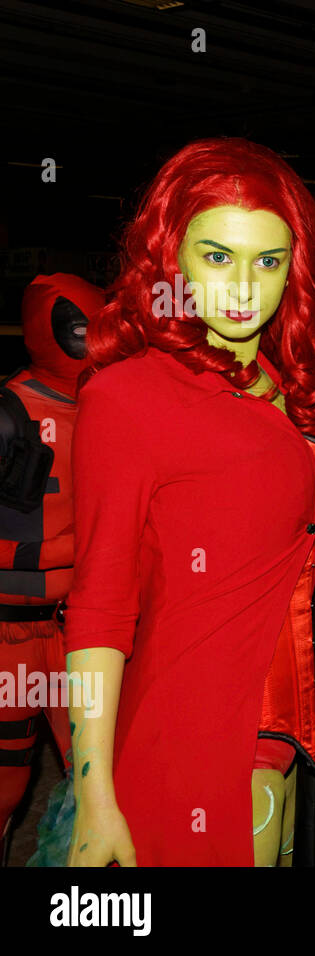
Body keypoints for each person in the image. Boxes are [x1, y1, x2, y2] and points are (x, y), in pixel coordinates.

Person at [63, 138, 315, 866]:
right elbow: (98, 607)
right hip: (189, 745)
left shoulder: (294, 388)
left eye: (268, 261)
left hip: (290, 742)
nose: (244, 287)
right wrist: (92, 795)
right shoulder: (129, 397)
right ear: (169, 258)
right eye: (218, 257)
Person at [0, 275, 101, 852]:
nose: (90, 340)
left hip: (80, 631)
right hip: (13, 635)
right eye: (80, 328)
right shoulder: (10, 412)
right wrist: (65, 555)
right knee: (8, 782)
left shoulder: (113, 404)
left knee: (92, 776)